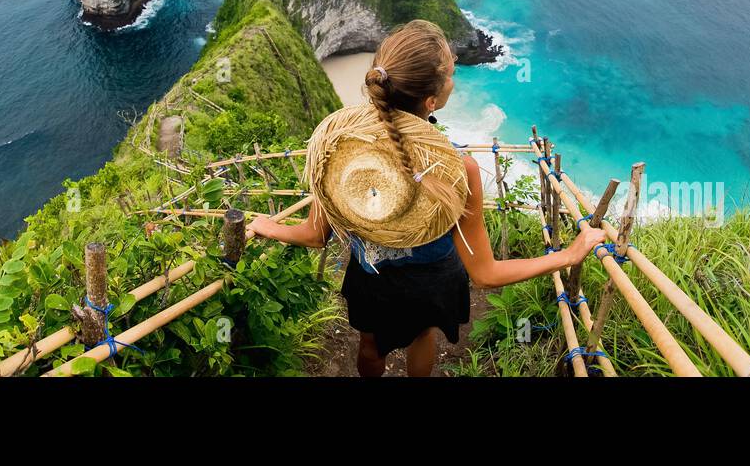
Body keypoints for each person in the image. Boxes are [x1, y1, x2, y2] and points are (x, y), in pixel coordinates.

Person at [249, 19, 603, 377]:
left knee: (370, 344)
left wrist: (268, 226)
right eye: (451, 74)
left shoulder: (338, 146)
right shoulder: (459, 170)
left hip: (371, 277)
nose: (454, 79)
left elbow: (314, 235)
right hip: (433, 280)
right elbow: (485, 274)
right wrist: (569, 254)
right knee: (423, 336)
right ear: (432, 101)